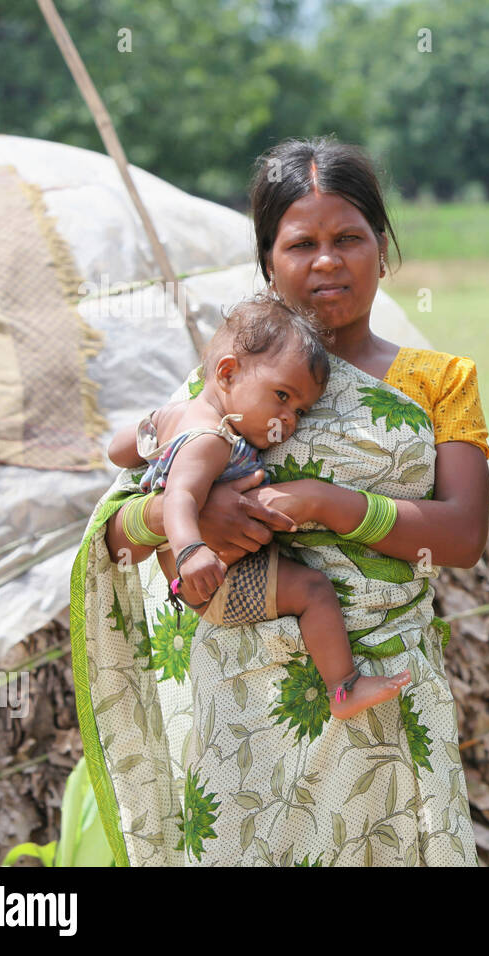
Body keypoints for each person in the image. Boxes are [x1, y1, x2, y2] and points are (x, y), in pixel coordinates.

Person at [71, 136, 489, 866]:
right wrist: (196, 517)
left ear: (382, 252)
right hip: (244, 712)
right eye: (302, 244)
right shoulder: (228, 385)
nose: (327, 261)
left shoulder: (439, 381)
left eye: (348, 239)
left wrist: (329, 502)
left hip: (384, 702)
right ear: (268, 261)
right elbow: (115, 534)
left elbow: (461, 536)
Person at [104, 294, 412, 721]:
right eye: (281, 396)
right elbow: (181, 497)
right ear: (227, 373)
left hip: (201, 576)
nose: (289, 420)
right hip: (219, 580)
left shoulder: (179, 414)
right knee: (314, 592)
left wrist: (153, 425)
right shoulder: (212, 439)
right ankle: (344, 689)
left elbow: (119, 451)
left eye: (300, 410)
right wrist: (193, 550)